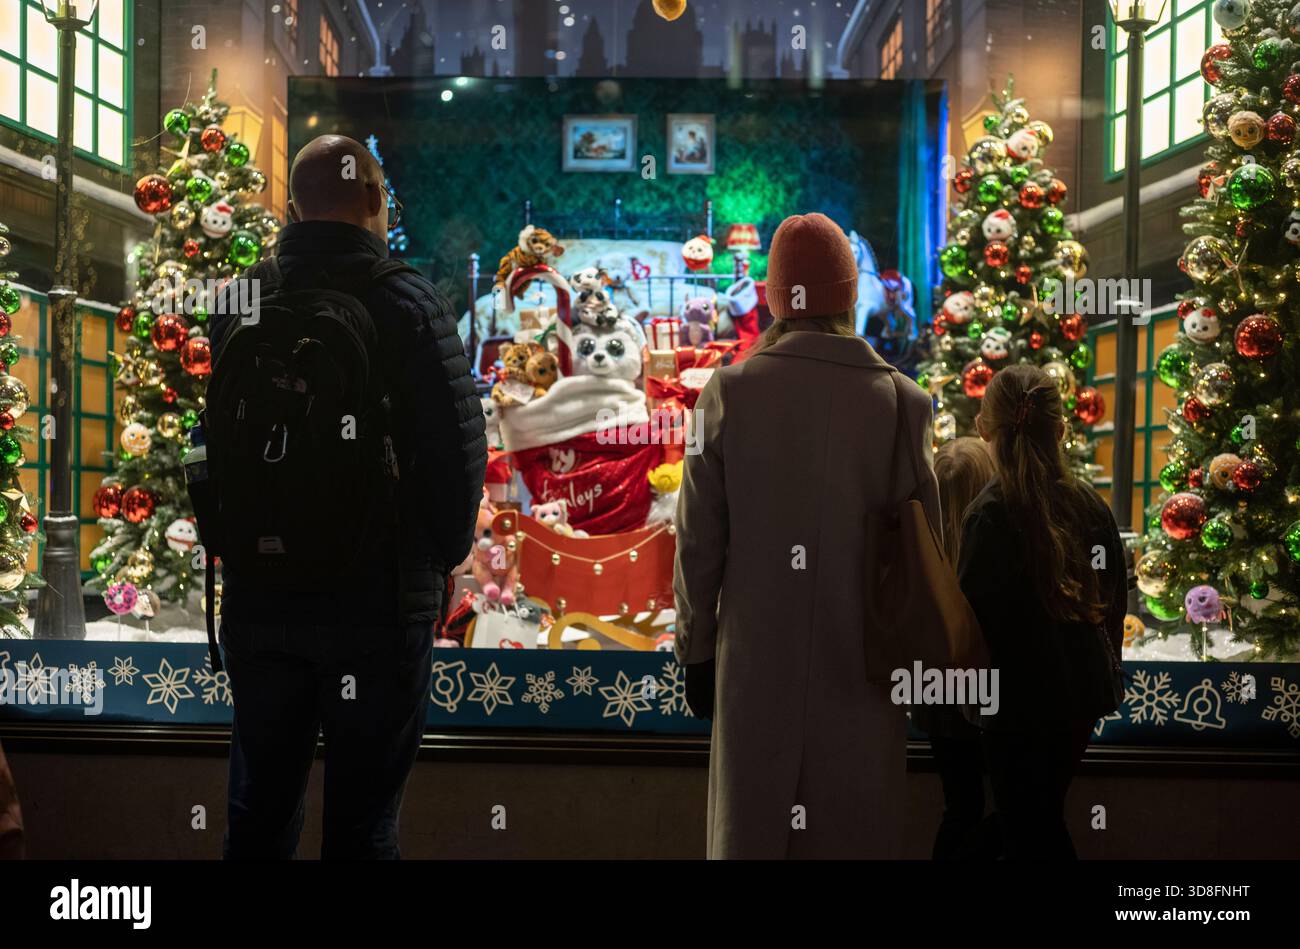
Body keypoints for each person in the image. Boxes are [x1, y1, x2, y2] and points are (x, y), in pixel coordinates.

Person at [210, 135, 487, 859]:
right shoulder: (409, 301)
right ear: (373, 199)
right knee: (364, 826)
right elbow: (458, 452)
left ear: (294, 205)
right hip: (378, 603)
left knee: (258, 815)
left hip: (262, 601)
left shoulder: (241, 296)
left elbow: (217, 442)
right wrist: (443, 556)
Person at [673, 212, 941, 859]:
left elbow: (697, 541)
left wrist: (696, 649)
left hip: (754, 670)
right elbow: (929, 551)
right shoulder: (905, 403)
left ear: (773, 297)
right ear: (851, 294)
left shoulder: (728, 393)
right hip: (866, 672)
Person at [959, 364, 1127, 860]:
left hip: (1010, 704)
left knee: (1028, 826)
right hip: (1078, 696)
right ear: (1060, 429)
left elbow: (972, 623)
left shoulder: (988, 513)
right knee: (1039, 819)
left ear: (984, 429)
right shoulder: (1090, 507)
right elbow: (1113, 606)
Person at [914, 437, 999, 860]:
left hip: (935, 701)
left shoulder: (925, 554)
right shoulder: (989, 552)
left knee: (960, 806)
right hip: (987, 700)